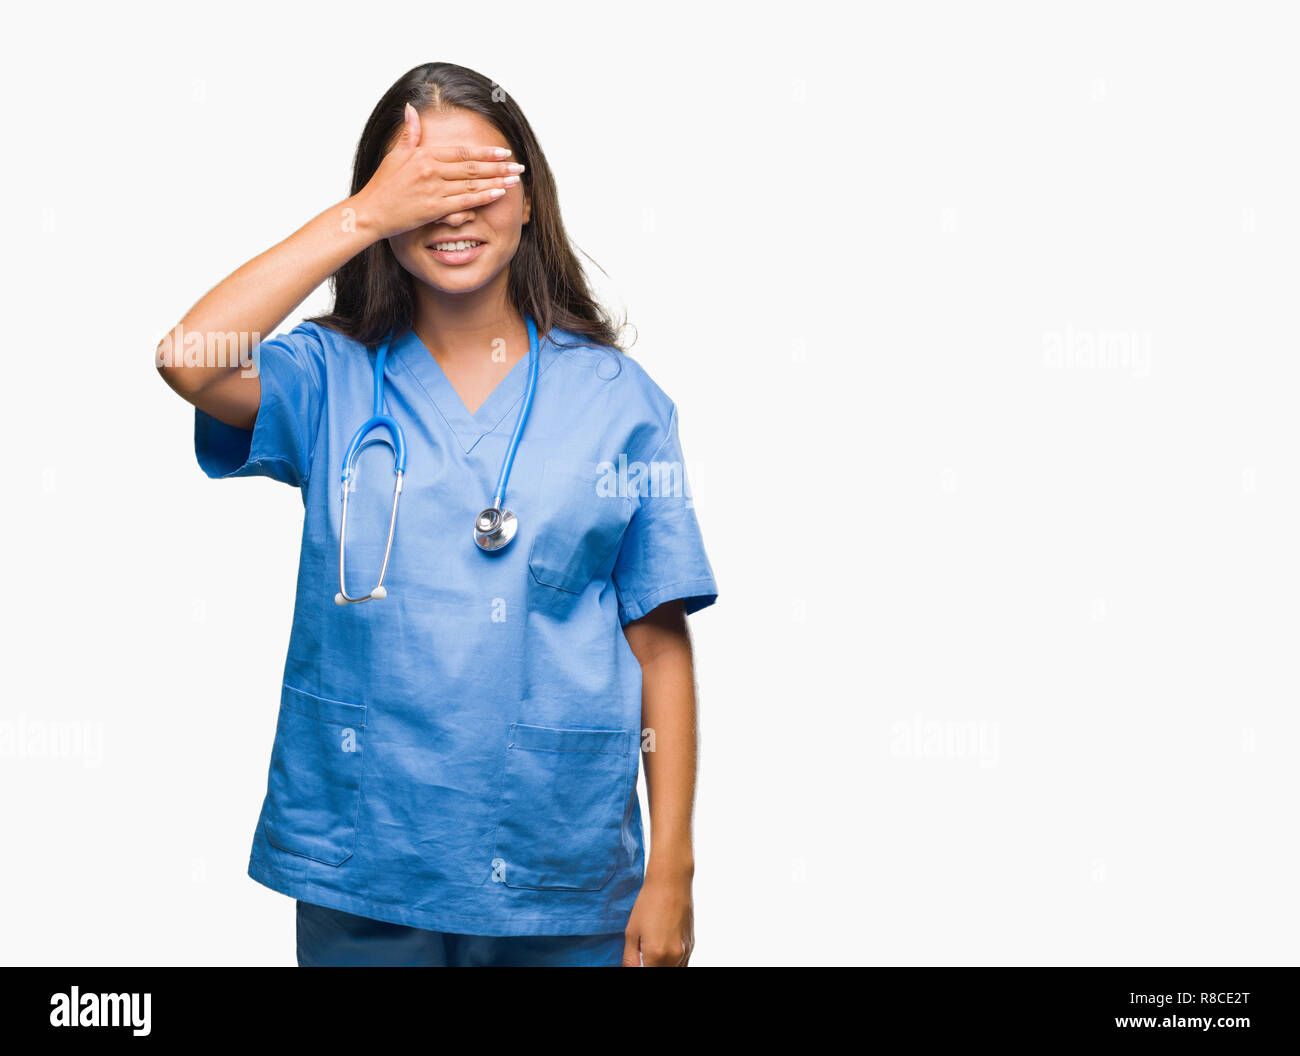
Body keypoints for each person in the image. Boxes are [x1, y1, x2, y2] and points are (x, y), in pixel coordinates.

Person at [155, 62, 717, 967]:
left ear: (531, 199)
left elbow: (657, 645)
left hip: (556, 868)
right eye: (420, 182)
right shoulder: (326, 375)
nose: (451, 207)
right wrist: (365, 217)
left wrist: (673, 869)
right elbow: (189, 357)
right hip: (367, 853)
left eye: (480, 177)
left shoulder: (623, 403)